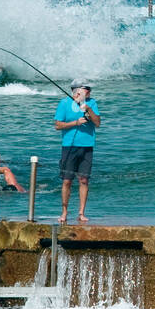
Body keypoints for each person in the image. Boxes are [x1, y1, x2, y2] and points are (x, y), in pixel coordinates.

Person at [53, 82, 101, 224]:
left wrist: (89, 110)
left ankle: (81, 213)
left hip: (87, 146)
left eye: (90, 90)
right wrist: (76, 123)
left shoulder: (92, 103)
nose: (90, 92)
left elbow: (97, 123)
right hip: (69, 146)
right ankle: (64, 212)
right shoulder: (64, 103)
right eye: (87, 90)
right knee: (67, 180)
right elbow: (58, 125)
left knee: (84, 180)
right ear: (78, 92)